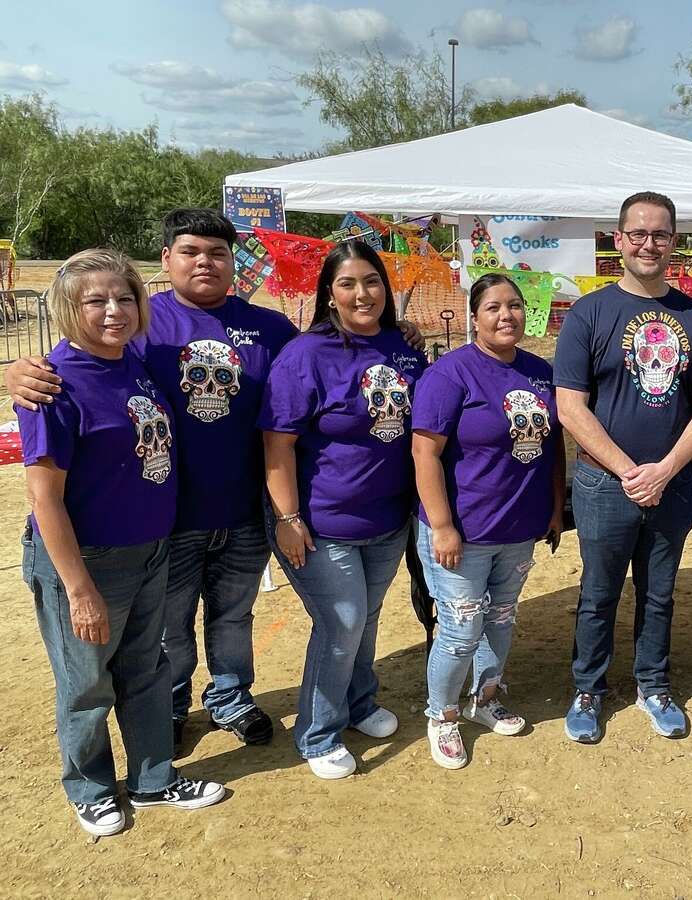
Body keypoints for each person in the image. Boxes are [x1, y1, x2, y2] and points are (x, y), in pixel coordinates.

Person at [6, 209, 425, 752]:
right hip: (167, 517)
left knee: (233, 616)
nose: (204, 262)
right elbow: (77, 358)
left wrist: (400, 332)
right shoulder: (138, 325)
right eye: (190, 251)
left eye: (218, 253)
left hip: (246, 509)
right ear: (166, 260)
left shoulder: (271, 330)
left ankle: (230, 697)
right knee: (170, 625)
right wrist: (20, 369)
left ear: (234, 263)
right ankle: (173, 704)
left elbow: (333, 355)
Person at [18, 249, 224, 837]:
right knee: (86, 683)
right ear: (66, 307)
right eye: (96, 300)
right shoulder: (54, 386)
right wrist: (78, 590)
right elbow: (46, 498)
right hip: (87, 561)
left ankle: (153, 779)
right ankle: (89, 786)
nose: (114, 310)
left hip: (149, 549)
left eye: (124, 297)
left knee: (146, 669)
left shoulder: (130, 363)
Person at [554, 191, 692, 742]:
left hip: (671, 486)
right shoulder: (589, 313)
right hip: (605, 485)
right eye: (640, 233)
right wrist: (631, 470)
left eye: (662, 234)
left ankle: (653, 685)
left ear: (675, 242)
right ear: (619, 240)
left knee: (659, 593)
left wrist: (667, 469)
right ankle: (588, 688)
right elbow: (569, 405)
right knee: (599, 594)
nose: (650, 243)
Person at [258, 240, 427, 779]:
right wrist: (287, 518)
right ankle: (317, 732)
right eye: (348, 283)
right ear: (328, 294)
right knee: (342, 621)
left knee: (366, 619)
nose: (362, 293)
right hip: (318, 523)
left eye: (372, 281)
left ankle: (359, 703)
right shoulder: (305, 355)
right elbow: (277, 443)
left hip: (385, 520)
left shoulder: (403, 347)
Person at [413, 273, 565, 769]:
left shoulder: (540, 373)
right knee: (460, 630)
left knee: (500, 619)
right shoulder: (450, 375)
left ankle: (486, 696)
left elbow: (553, 447)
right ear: (474, 317)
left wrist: (553, 507)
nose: (507, 316)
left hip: (518, 528)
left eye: (516, 306)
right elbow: (424, 454)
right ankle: (443, 714)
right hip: (462, 531)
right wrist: (441, 525)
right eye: (495, 307)